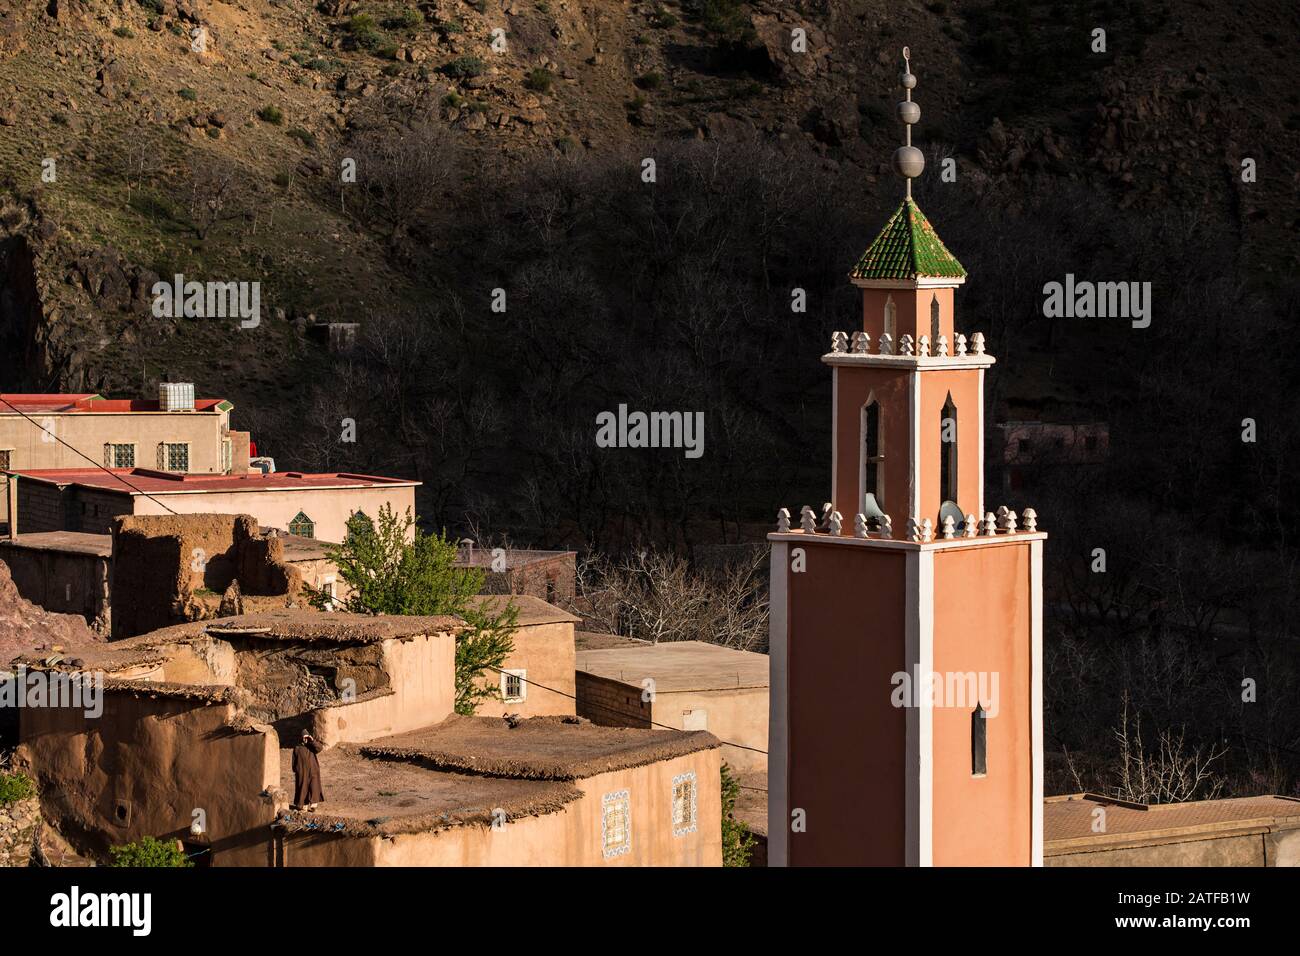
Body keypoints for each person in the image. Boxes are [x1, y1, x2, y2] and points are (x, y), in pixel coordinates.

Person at [291, 731, 324, 811]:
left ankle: (313, 806)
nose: (305, 739)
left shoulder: (312, 746)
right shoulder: (297, 748)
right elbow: (294, 760)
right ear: (301, 738)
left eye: (307, 737)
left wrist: (312, 740)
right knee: (303, 788)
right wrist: (296, 770)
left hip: (313, 770)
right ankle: (304, 805)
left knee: (314, 787)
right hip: (302, 772)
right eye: (304, 737)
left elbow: (319, 748)